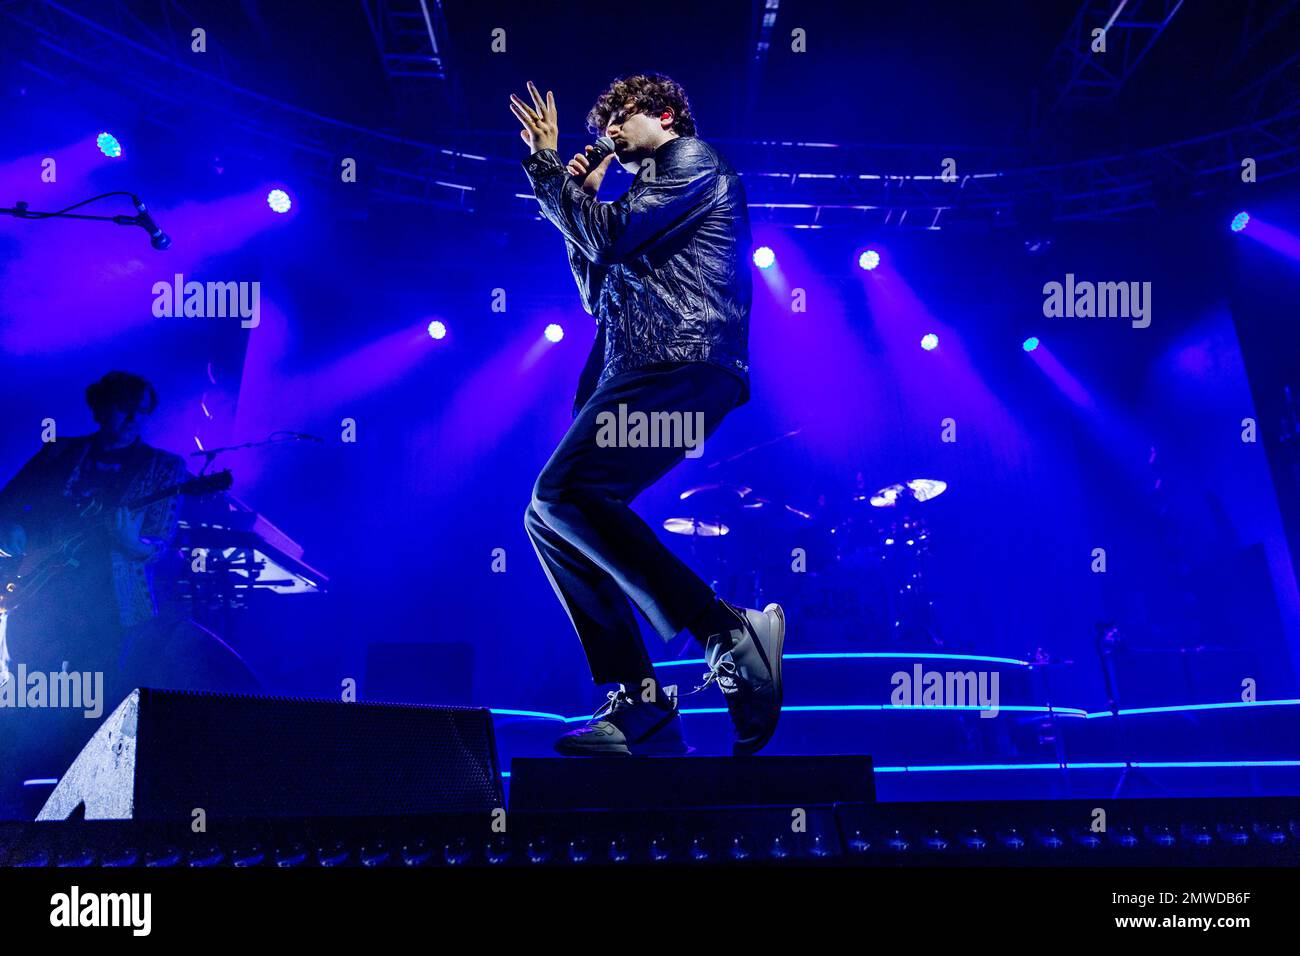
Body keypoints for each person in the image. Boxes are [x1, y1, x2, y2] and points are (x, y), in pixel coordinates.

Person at [511, 74, 785, 757]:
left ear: (664, 116)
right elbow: (595, 291)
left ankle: (725, 628)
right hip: (647, 371)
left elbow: (609, 239)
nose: (607, 127)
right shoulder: (641, 194)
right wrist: (579, 194)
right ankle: (638, 701)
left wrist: (552, 174)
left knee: (563, 495)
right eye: (602, 118)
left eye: (620, 115)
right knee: (553, 516)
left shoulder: (691, 160)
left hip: (684, 365)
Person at [0, 371, 188, 809]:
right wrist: (11, 530)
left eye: (143, 412)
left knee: (97, 705)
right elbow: (8, 502)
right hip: (42, 596)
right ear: (100, 406)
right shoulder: (60, 452)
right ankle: (14, 801)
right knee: (30, 693)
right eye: (125, 407)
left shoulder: (165, 467)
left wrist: (130, 543)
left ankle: (88, 806)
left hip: (110, 608)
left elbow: (160, 542)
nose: (133, 420)